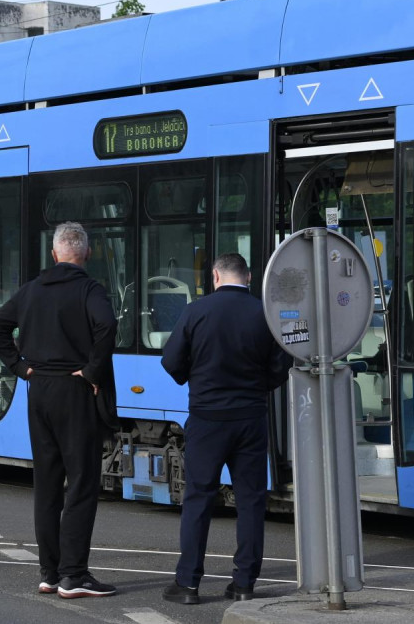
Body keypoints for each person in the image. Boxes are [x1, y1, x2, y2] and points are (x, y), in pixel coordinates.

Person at [0, 221, 119, 599]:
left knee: (47, 483)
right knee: (81, 482)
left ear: (54, 253)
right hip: (74, 389)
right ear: (87, 254)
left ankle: (50, 571)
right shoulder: (89, 289)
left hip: (38, 389)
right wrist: (92, 370)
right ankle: (73, 575)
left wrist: (20, 368)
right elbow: (107, 324)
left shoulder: (31, 290)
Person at [160, 253, 292, 605]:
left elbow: (171, 361)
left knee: (199, 499)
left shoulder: (196, 311)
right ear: (248, 277)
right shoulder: (265, 312)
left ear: (215, 276)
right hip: (250, 417)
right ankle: (245, 584)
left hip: (206, 418)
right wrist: (257, 386)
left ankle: (188, 584)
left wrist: (195, 377)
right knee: (250, 501)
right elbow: (281, 366)